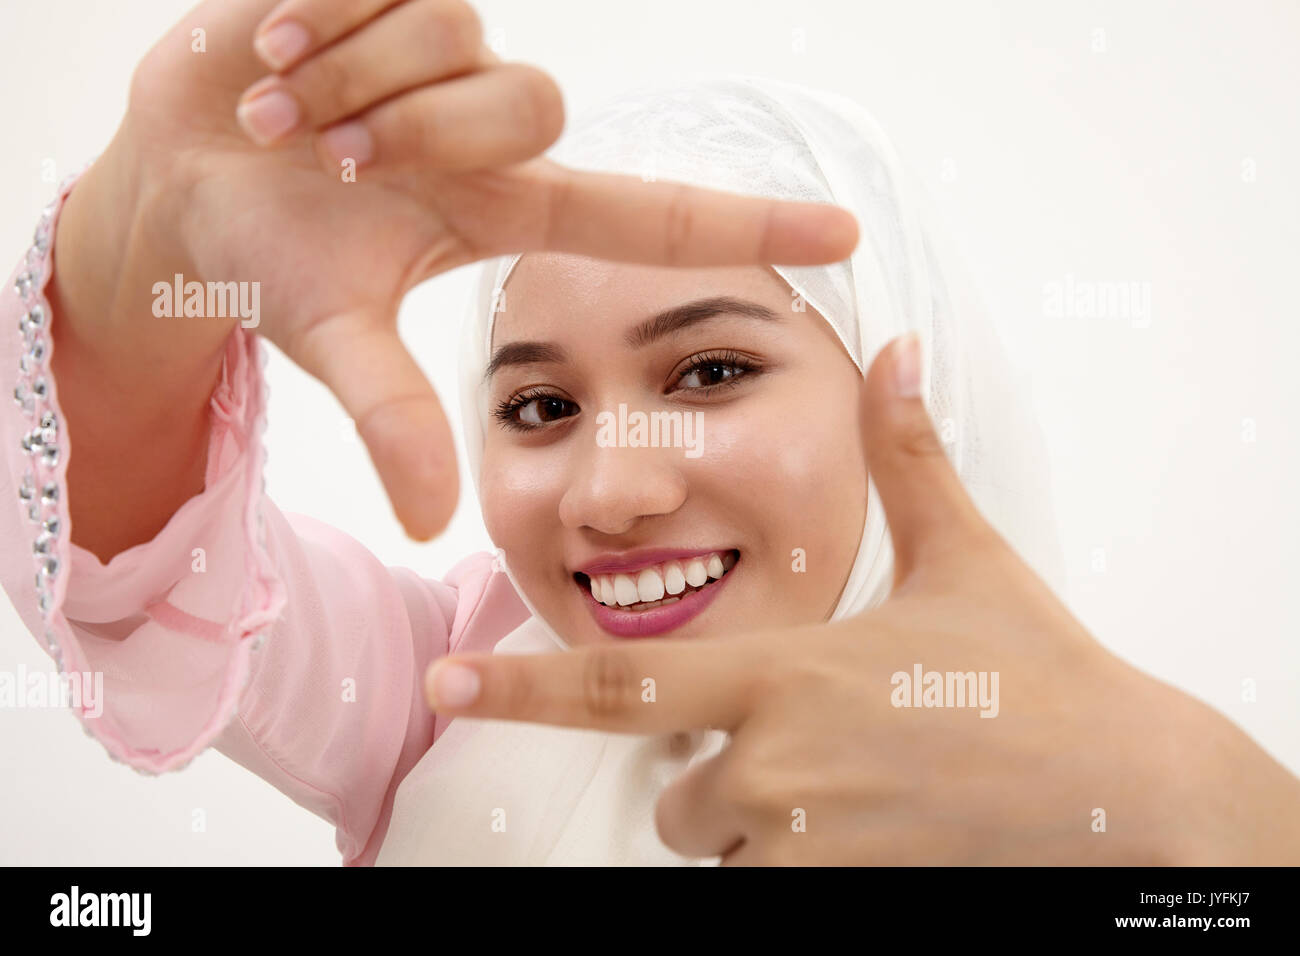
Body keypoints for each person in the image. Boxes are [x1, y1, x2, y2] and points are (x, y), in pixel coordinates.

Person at [5, 0, 1298, 865]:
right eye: (540, 408)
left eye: (713, 370)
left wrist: (1196, 805)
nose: (608, 495)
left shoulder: (1090, 792)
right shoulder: (457, 687)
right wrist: (144, 245)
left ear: (909, 383)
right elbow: (129, 554)